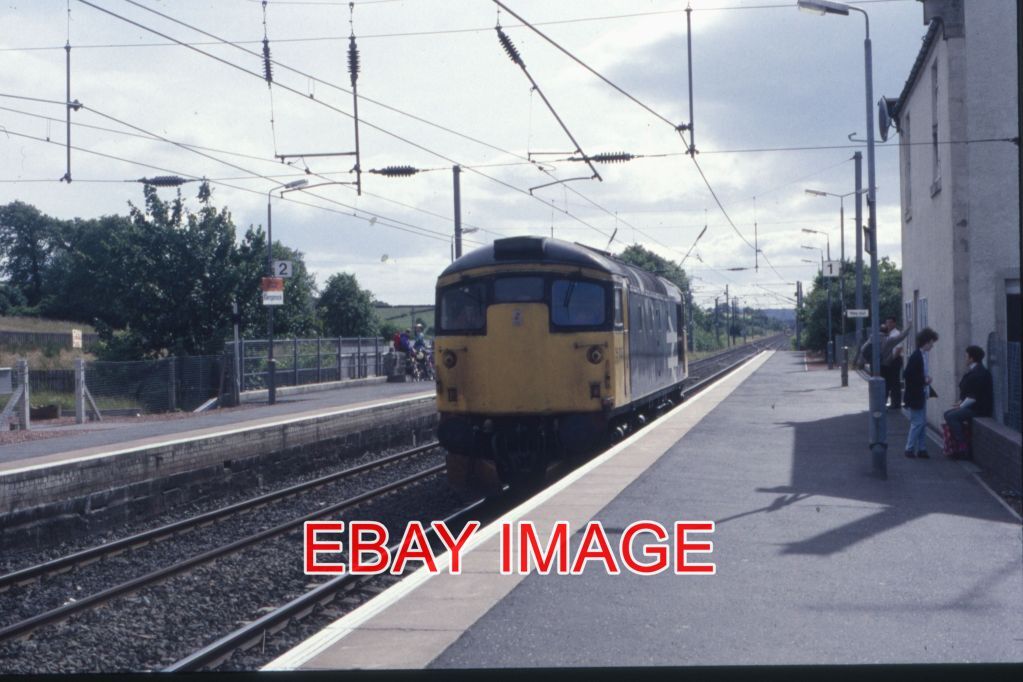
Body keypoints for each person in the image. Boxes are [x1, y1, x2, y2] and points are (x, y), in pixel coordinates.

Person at [942, 345, 994, 457]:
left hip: (979, 409)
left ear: (971, 358)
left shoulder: (978, 373)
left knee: (951, 416)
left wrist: (960, 406)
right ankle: (957, 444)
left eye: (966, 356)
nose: (965, 358)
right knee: (948, 414)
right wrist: (960, 403)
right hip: (975, 406)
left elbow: (972, 397)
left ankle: (962, 446)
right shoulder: (977, 371)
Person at [902, 327, 939, 458]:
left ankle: (922, 449)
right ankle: (909, 448)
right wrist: (924, 380)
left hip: (919, 393)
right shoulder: (917, 356)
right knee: (918, 422)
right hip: (916, 394)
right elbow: (907, 374)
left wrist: (924, 380)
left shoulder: (920, 355)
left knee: (921, 422)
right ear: (927, 342)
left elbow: (910, 374)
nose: (932, 345)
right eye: (932, 342)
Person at [880, 317, 912, 409]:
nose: (888, 325)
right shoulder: (887, 334)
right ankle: (888, 402)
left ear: (894, 323)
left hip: (894, 360)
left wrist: (890, 360)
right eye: (887, 323)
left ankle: (896, 403)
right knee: (888, 382)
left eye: (890, 323)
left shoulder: (896, 334)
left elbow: (898, 349)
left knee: (894, 382)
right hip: (888, 361)